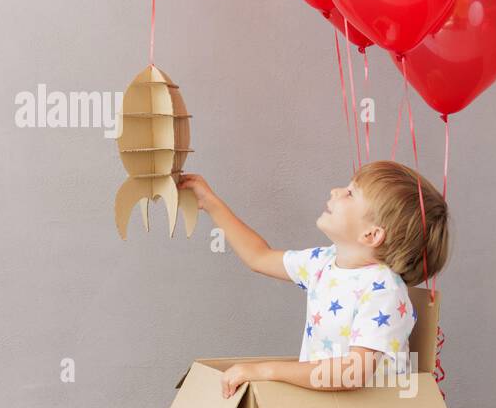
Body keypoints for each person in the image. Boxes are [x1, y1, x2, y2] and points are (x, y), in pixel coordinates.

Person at [176, 160, 450, 395]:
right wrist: (210, 203)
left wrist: (267, 371)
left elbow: (352, 374)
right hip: (329, 404)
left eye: (351, 193)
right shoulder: (323, 262)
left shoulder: (384, 292)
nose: (336, 191)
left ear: (371, 234)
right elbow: (258, 257)